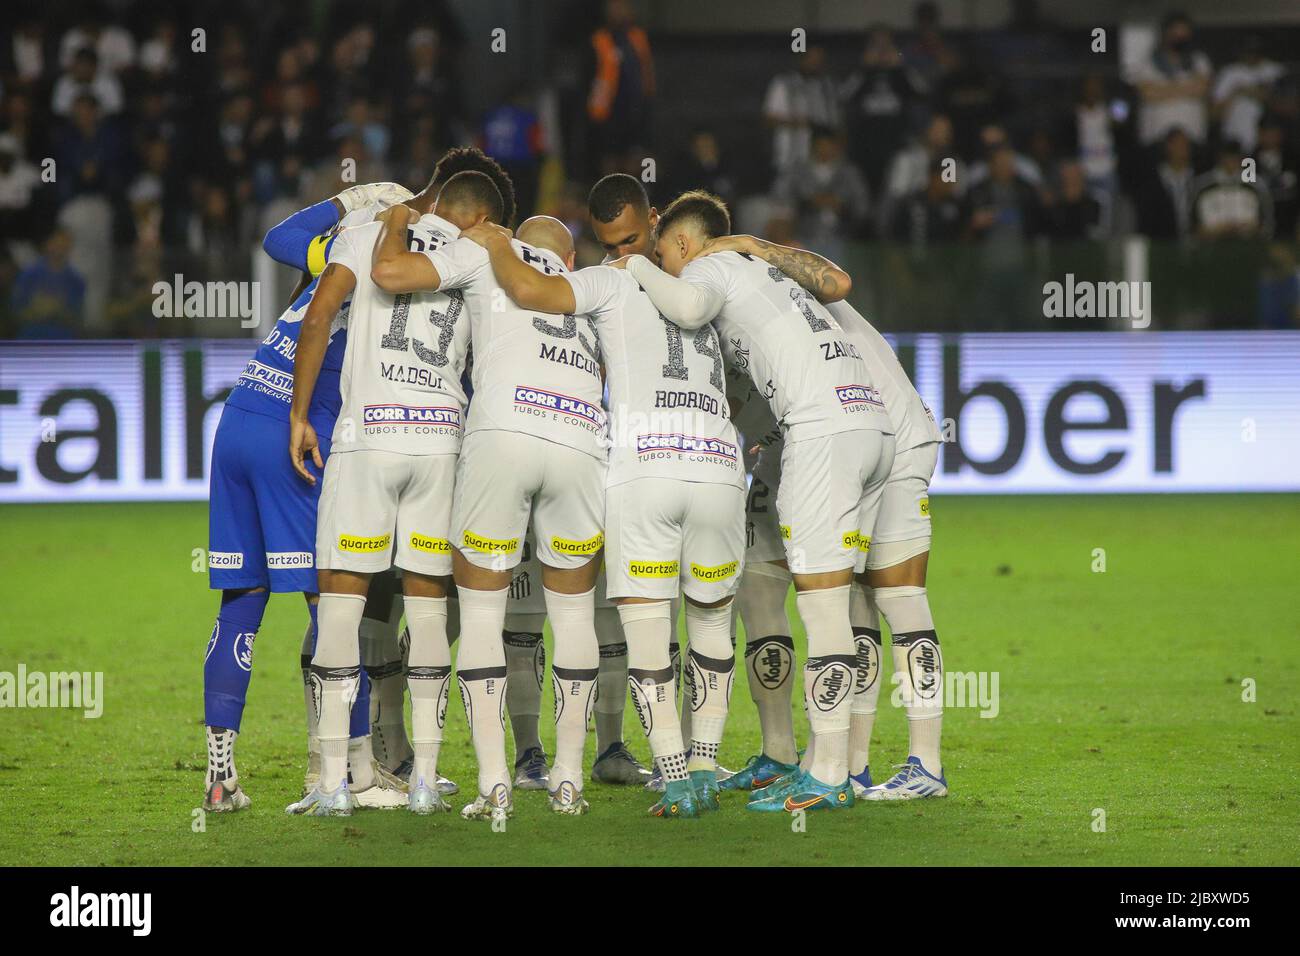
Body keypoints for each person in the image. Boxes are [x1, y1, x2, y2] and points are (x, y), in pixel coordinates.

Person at [460, 199, 748, 819]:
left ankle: (660, 777)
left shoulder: (603, 282)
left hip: (641, 465)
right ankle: (683, 769)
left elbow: (533, 291)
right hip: (716, 465)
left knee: (633, 630)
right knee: (705, 625)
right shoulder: (715, 281)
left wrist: (493, 243)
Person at [621, 191, 895, 813]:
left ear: (683, 244)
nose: (659, 262)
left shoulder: (706, 268)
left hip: (823, 432)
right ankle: (835, 765)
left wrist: (629, 268)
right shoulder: (765, 269)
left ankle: (827, 774)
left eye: (660, 250)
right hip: (868, 428)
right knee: (840, 597)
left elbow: (687, 308)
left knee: (823, 606)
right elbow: (833, 285)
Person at [367, 210, 606, 821]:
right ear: (569, 259)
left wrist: (400, 221)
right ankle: (570, 782)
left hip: (502, 434)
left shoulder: (486, 253)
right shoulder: (590, 287)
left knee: (479, 613)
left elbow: (392, 274)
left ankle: (494, 783)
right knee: (575, 617)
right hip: (581, 441)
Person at [287, 171, 503, 817]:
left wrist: (300, 416)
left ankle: (331, 785)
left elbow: (320, 315)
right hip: (439, 441)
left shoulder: (365, 233)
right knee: (429, 607)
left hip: (368, 438)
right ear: (478, 214)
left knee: (342, 604)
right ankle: (424, 781)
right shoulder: (475, 252)